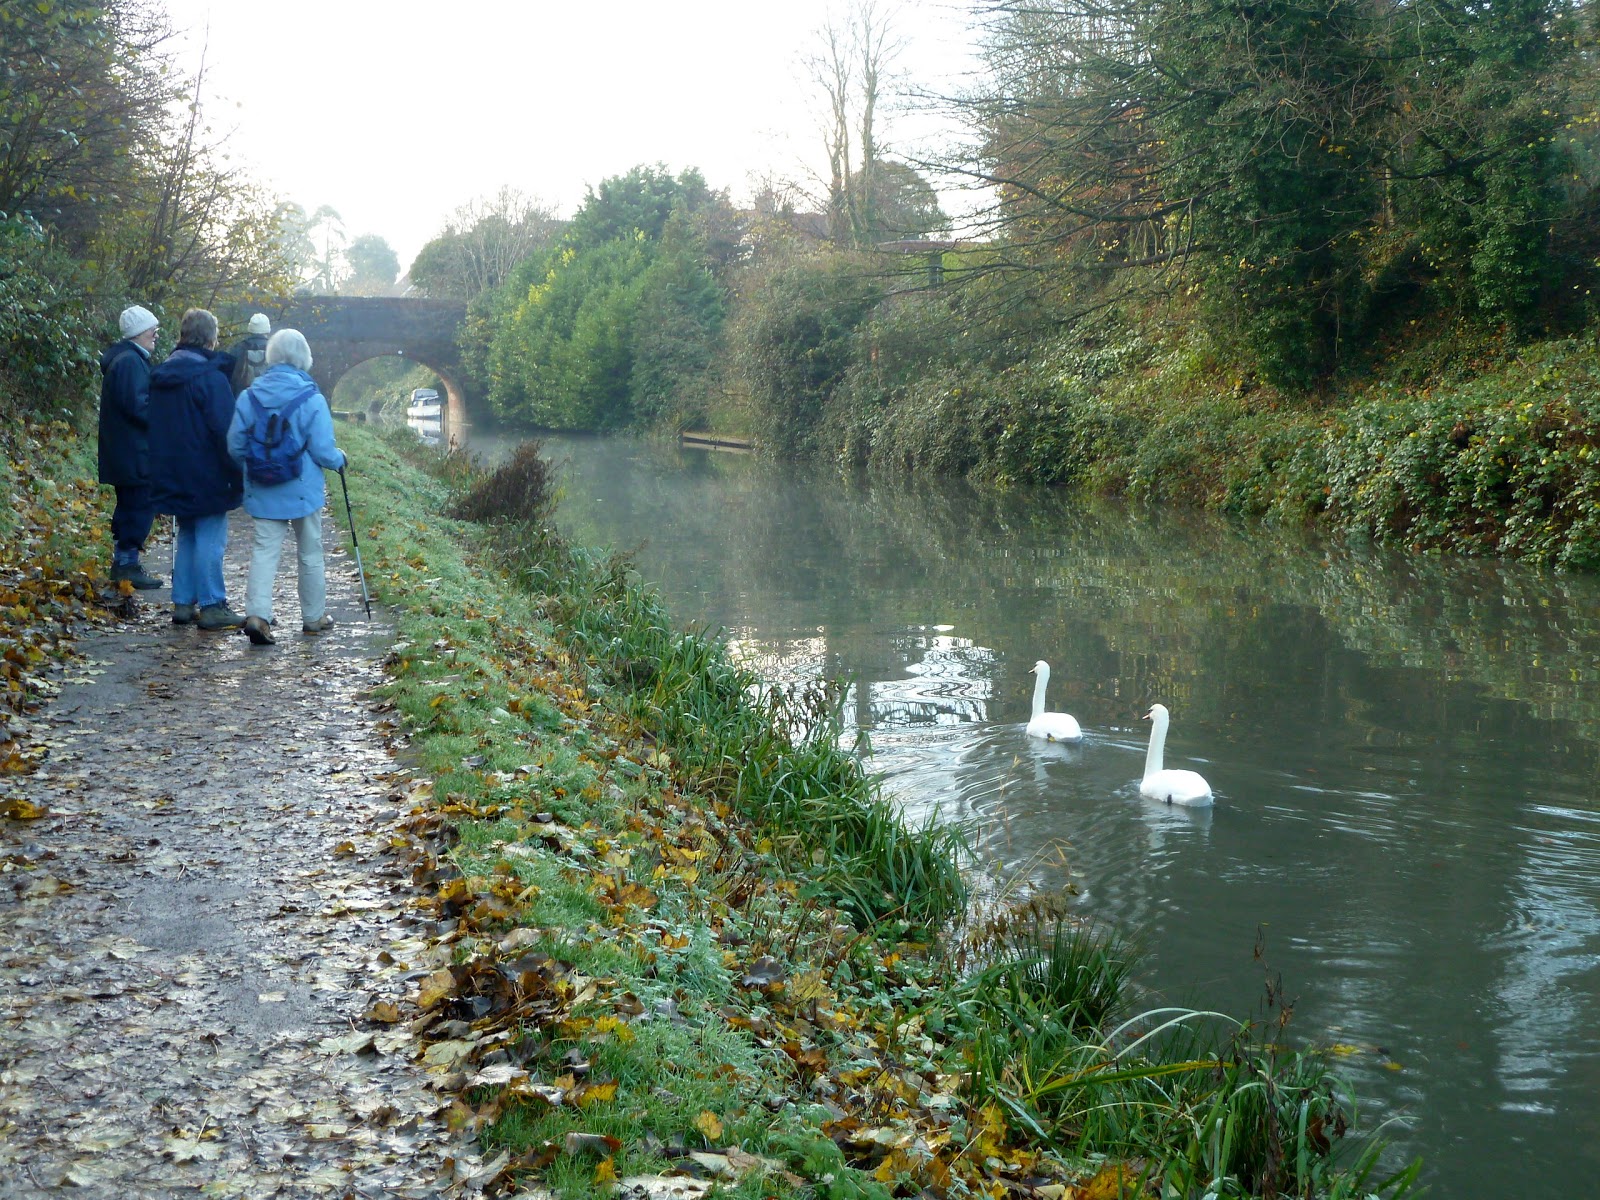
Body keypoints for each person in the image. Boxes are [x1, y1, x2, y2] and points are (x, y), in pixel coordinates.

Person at [226, 328, 347, 646]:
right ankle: (313, 617)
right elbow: (323, 451)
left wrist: (256, 465)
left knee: (264, 551)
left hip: (263, 486)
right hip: (303, 489)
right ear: (303, 357)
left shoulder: (249, 396)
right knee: (310, 552)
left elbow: (235, 446)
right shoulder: (312, 398)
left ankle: (257, 615)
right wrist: (340, 459)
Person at [147, 308, 246, 631]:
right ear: (210, 339)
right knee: (211, 537)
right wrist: (238, 472)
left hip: (171, 468)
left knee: (188, 532)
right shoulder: (210, 377)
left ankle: (183, 602)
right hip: (207, 471)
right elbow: (226, 431)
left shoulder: (161, 376)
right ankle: (213, 604)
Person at [97, 304, 164, 589]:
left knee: (131, 506)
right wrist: (166, 417)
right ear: (138, 332)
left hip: (126, 451)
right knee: (138, 506)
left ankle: (126, 563)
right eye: (152, 330)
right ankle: (126, 565)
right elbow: (138, 407)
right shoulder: (130, 363)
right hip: (133, 452)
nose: (156, 335)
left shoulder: (128, 359)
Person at [229, 312, 270, 397]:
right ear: (268, 329)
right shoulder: (274, 349)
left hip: (241, 398)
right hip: (268, 397)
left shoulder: (238, 348)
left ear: (250, 329)